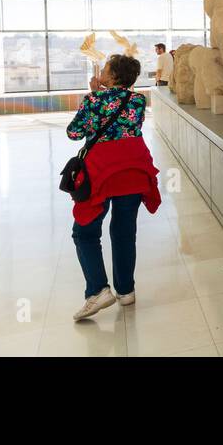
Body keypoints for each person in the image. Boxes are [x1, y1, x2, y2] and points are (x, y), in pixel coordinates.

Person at [65, 53, 161, 321]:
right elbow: (125, 124)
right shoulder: (139, 100)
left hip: (102, 172)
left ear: (114, 75)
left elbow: (74, 132)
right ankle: (126, 290)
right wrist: (97, 95)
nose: (102, 71)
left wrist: (92, 96)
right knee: (124, 230)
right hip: (133, 169)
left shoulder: (95, 100)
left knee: (84, 232)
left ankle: (97, 290)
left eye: (106, 69)